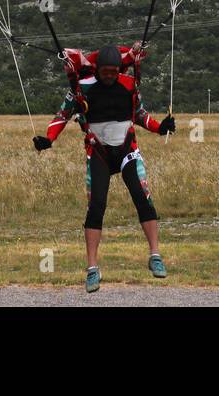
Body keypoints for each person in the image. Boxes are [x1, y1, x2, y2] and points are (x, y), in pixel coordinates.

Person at [33, 43, 175, 293]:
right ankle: (92, 269)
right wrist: (48, 139)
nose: (109, 75)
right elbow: (62, 116)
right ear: (97, 69)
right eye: (105, 71)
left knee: (142, 197)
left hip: (127, 150)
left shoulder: (129, 85)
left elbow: (140, 115)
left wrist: (160, 127)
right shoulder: (81, 89)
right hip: (98, 152)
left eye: (113, 71)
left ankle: (155, 255)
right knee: (96, 206)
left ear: (118, 68)